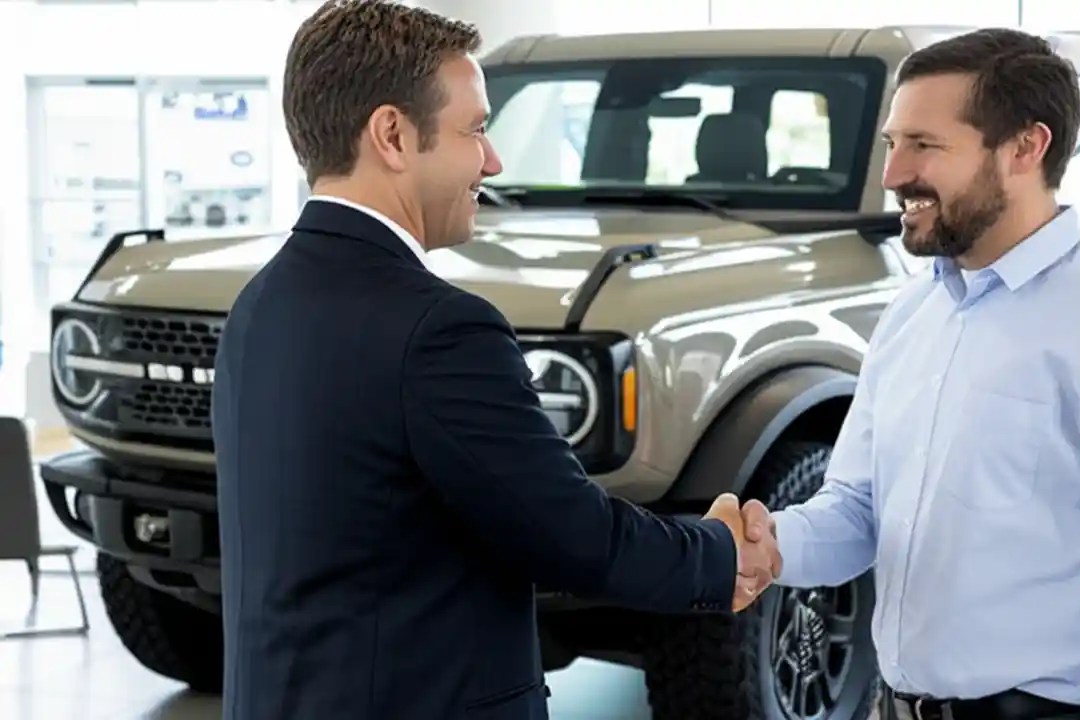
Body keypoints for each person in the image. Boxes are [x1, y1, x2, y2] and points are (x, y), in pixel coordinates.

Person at [209, 2, 780, 719]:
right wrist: (721, 554)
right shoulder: (439, 328)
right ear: (392, 134)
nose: (494, 160)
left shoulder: (260, 305)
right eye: (475, 129)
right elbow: (572, 537)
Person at [744, 27, 1080, 720]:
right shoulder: (912, 314)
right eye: (892, 145)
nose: (894, 176)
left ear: (1026, 147)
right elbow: (860, 512)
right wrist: (772, 544)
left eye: (924, 146)